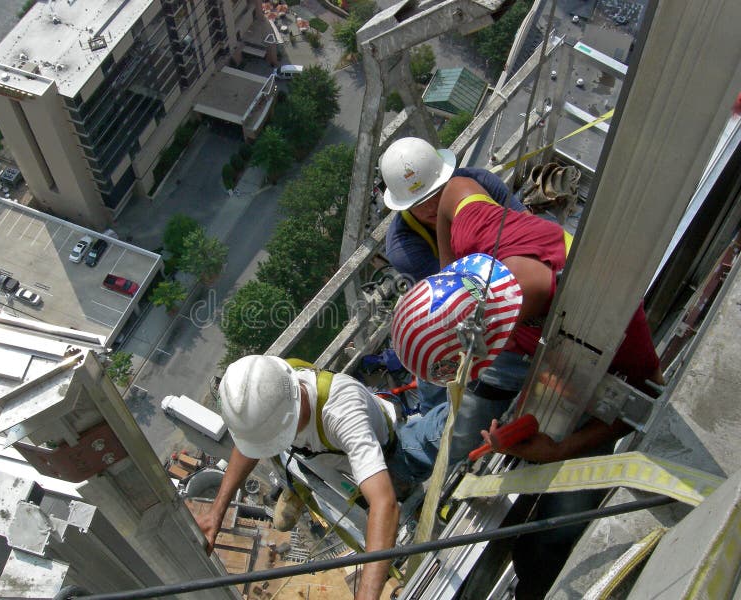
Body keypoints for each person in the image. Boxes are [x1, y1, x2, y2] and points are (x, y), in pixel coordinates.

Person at [197, 271, 523, 599]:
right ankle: (447, 387)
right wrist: (216, 512)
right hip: (333, 458)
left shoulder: (342, 412)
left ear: (285, 423)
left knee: (457, 429)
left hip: (398, 452)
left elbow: (385, 504)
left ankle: (501, 384)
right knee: (437, 383)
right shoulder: (275, 382)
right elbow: (250, 439)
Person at [421, 173, 663, 597]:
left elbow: (649, 400)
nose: (473, 367)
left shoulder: (609, 326)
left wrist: (561, 450)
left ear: (499, 332)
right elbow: (451, 194)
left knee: (546, 547)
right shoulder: (477, 235)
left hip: (599, 378)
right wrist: (446, 268)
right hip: (547, 342)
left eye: (473, 358)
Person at [381, 137, 528, 414]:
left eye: (434, 193)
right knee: (438, 370)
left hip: (509, 274)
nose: (429, 207)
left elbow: (525, 230)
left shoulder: (480, 182)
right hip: (456, 307)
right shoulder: (404, 246)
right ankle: (436, 411)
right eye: (418, 201)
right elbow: (455, 303)